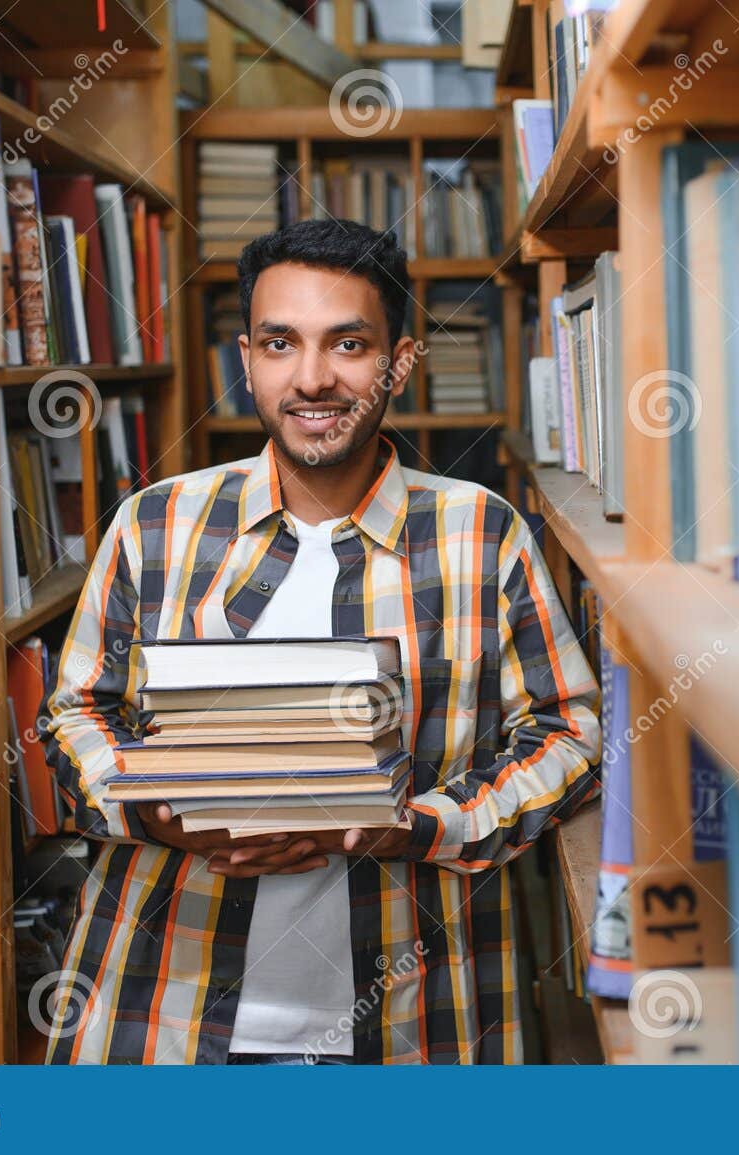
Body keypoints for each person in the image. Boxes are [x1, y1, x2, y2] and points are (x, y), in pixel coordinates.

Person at [40, 218, 601, 1064]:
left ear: (400, 361)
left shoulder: (481, 533)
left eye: (348, 343)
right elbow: (74, 714)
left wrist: (421, 826)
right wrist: (159, 812)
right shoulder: (154, 525)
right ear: (246, 361)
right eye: (279, 343)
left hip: (417, 1022)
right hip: (164, 1012)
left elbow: (572, 735)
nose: (312, 378)